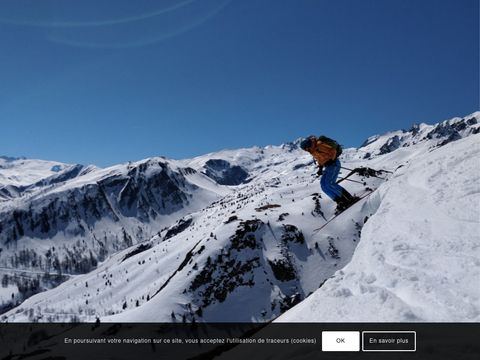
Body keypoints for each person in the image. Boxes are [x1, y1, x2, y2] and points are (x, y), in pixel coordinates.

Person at [300, 135, 359, 213]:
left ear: (308, 145)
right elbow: (320, 159)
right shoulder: (312, 150)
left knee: (330, 183)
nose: (306, 150)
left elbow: (333, 150)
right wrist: (320, 168)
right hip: (328, 166)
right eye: (304, 149)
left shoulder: (319, 145)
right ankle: (340, 201)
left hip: (334, 164)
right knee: (323, 185)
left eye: (306, 148)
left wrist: (332, 159)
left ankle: (349, 198)